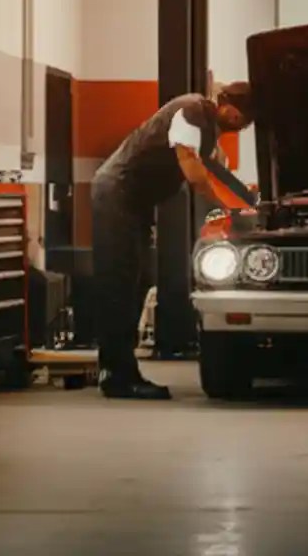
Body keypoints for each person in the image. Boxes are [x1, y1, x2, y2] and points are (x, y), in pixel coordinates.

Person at [91, 83, 255, 399]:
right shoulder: (192, 111)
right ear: (226, 105)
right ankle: (118, 377)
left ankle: (115, 367)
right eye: (244, 115)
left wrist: (245, 198)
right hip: (118, 194)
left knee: (137, 282)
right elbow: (195, 175)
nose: (245, 123)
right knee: (119, 284)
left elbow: (215, 170)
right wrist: (232, 206)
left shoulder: (208, 128)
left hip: (133, 201)